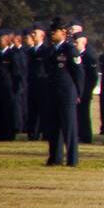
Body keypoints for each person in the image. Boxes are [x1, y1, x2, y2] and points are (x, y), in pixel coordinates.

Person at [41, 18, 82, 166]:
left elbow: (78, 72)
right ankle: (55, 158)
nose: (52, 33)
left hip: (67, 92)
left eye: (55, 31)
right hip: (53, 92)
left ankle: (72, 160)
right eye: (51, 30)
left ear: (64, 32)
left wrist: (78, 92)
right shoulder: (50, 50)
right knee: (54, 127)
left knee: (69, 127)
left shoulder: (70, 49)